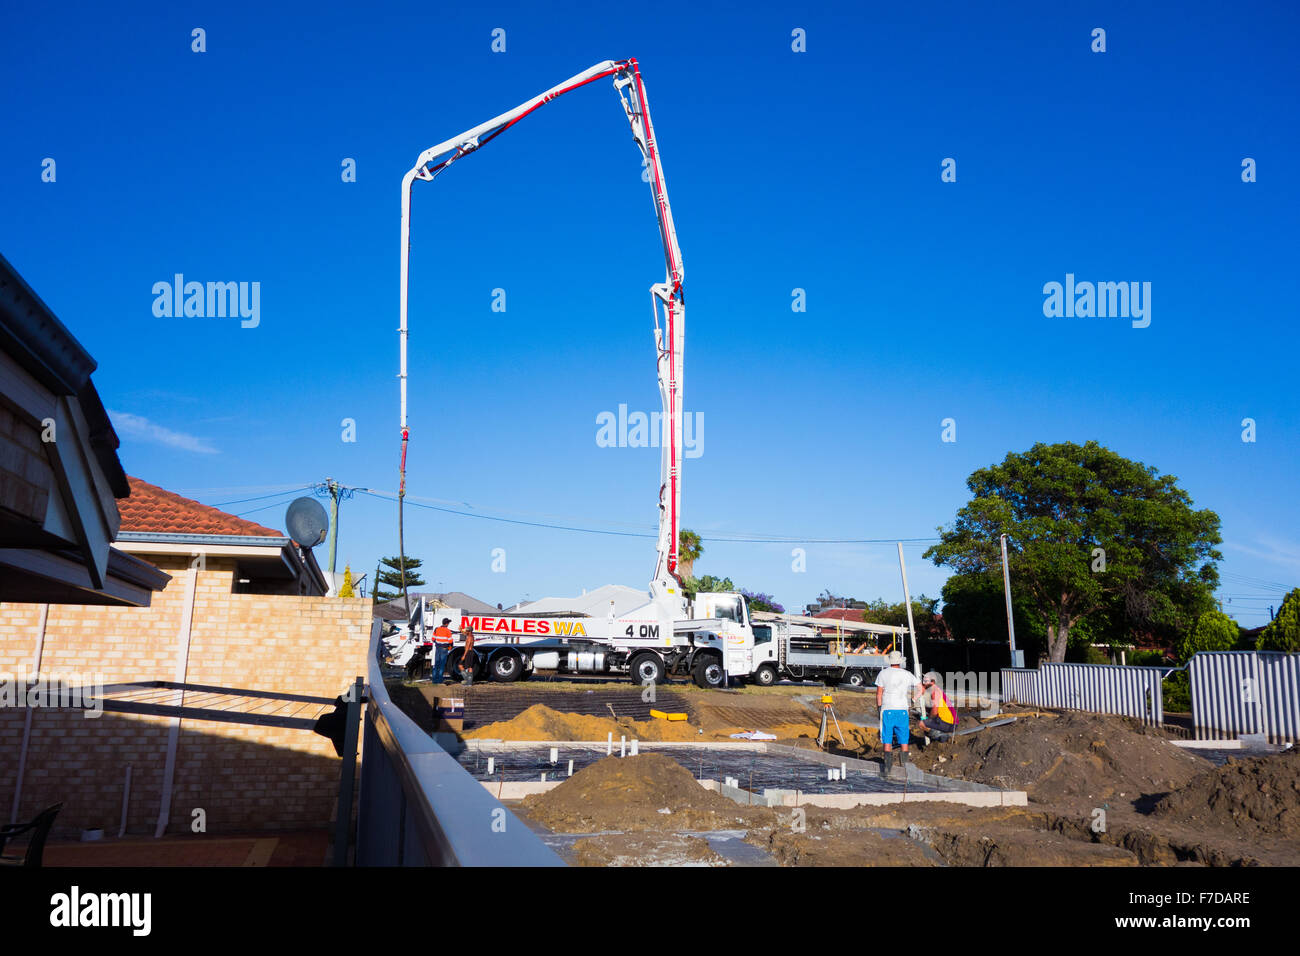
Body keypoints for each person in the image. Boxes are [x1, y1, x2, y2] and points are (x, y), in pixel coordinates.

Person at [874, 650, 921, 777]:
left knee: (887, 740)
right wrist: (913, 700)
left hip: (888, 709)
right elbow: (921, 688)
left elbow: (879, 694)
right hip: (903, 710)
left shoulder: (883, 673)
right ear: (900, 661)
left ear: (890, 661)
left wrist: (879, 708)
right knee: (904, 740)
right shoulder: (907, 674)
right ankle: (905, 771)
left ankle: (887, 771)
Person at [918, 671, 958, 743]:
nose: (923, 683)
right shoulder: (936, 690)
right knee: (928, 720)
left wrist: (928, 719)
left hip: (949, 723)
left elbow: (934, 711)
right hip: (951, 722)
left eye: (926, 681)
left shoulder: (935, 691)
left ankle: (941, 736)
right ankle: (938, 734)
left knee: (922, 724)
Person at [430, 618, 454, 684]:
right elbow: (451, 641)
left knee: (436, 663)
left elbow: (433, 639)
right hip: (444, 648)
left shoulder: (437, 629)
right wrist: (450, 646)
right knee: (442, 664)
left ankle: (434, 680)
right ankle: (440, 680)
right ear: (446, 623)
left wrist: (438, 643)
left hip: (438, 648)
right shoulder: (448, 631)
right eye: (448, 623)